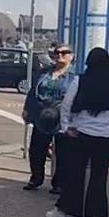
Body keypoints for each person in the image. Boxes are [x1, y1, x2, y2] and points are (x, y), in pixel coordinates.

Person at [47, 47, 109, 217]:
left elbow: (67, 103)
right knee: (100, 174)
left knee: (74, 173)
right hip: (108, 133)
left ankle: (65, 209)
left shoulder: (80, 80)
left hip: (82, 131)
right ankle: (96, 215)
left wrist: (66, 126)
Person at [21, 43, 77, 193]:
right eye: (57, 52)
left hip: (61, 117)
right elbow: (33, 91)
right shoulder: (45, 72)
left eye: (65, 53)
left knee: (61, 152)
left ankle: (58, 183)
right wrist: (27, 109)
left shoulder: (74, 77)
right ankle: (36, 178)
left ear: (71, 56)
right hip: (42, 114)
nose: (60, 55)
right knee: (37, 149)